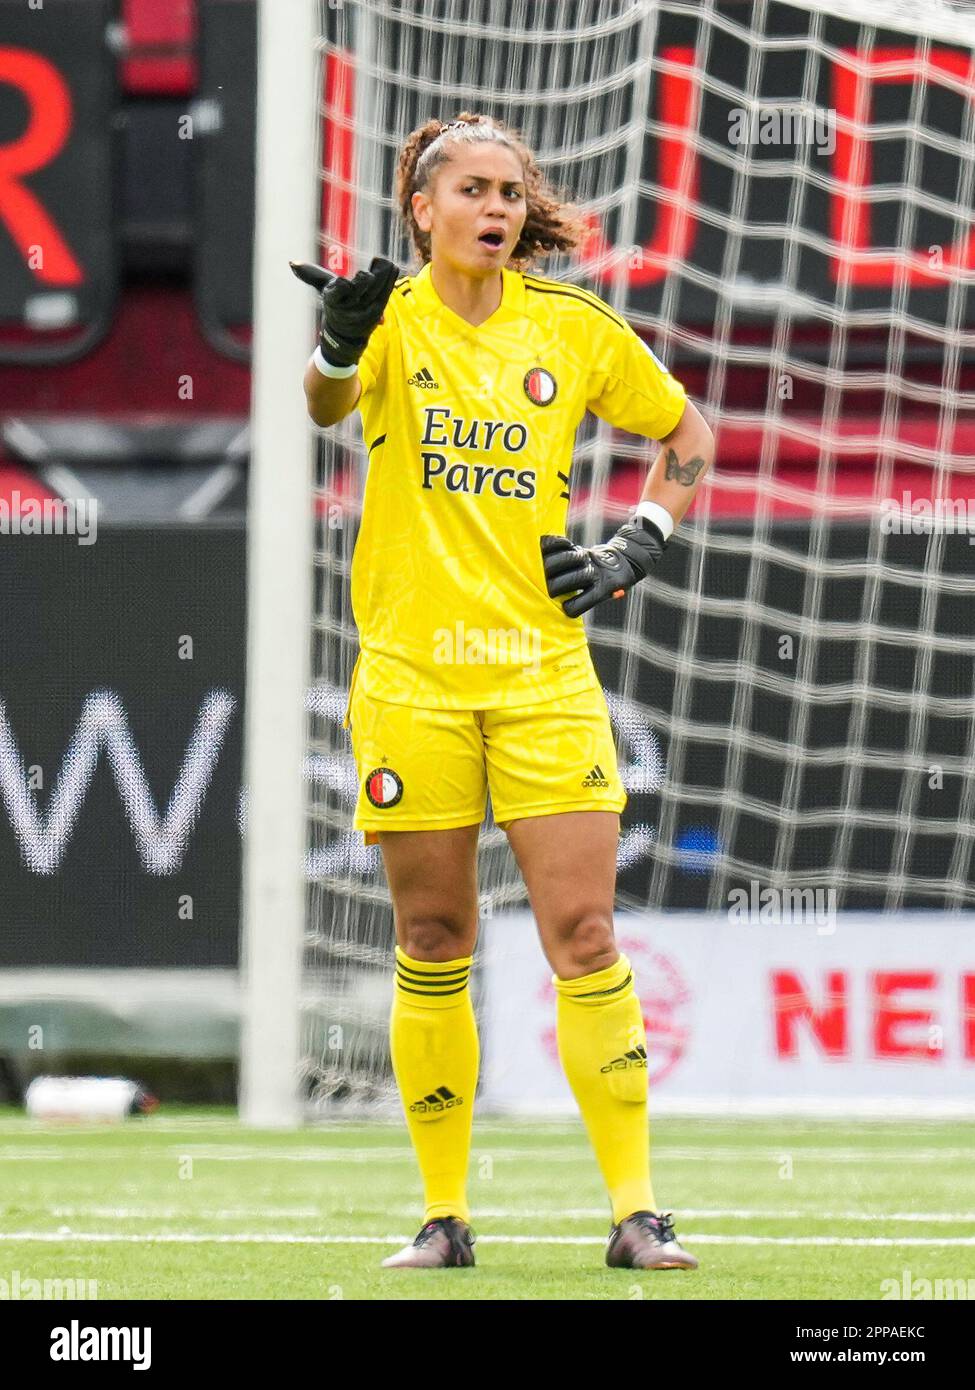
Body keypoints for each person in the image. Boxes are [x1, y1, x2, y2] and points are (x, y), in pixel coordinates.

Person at [295, 112, 714, 1272]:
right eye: (473, 188)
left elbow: (686, 432)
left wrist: (638, 540)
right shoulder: (387, 318)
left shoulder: (571, 329)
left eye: (513, 191)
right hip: (412, 680)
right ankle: (443, 1217)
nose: (498, 207)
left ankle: (636, 1211)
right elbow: (326, 408)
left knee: (584, 932)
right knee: (434, 934)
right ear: (421, 207)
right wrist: (336, 344)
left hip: (542, 675)